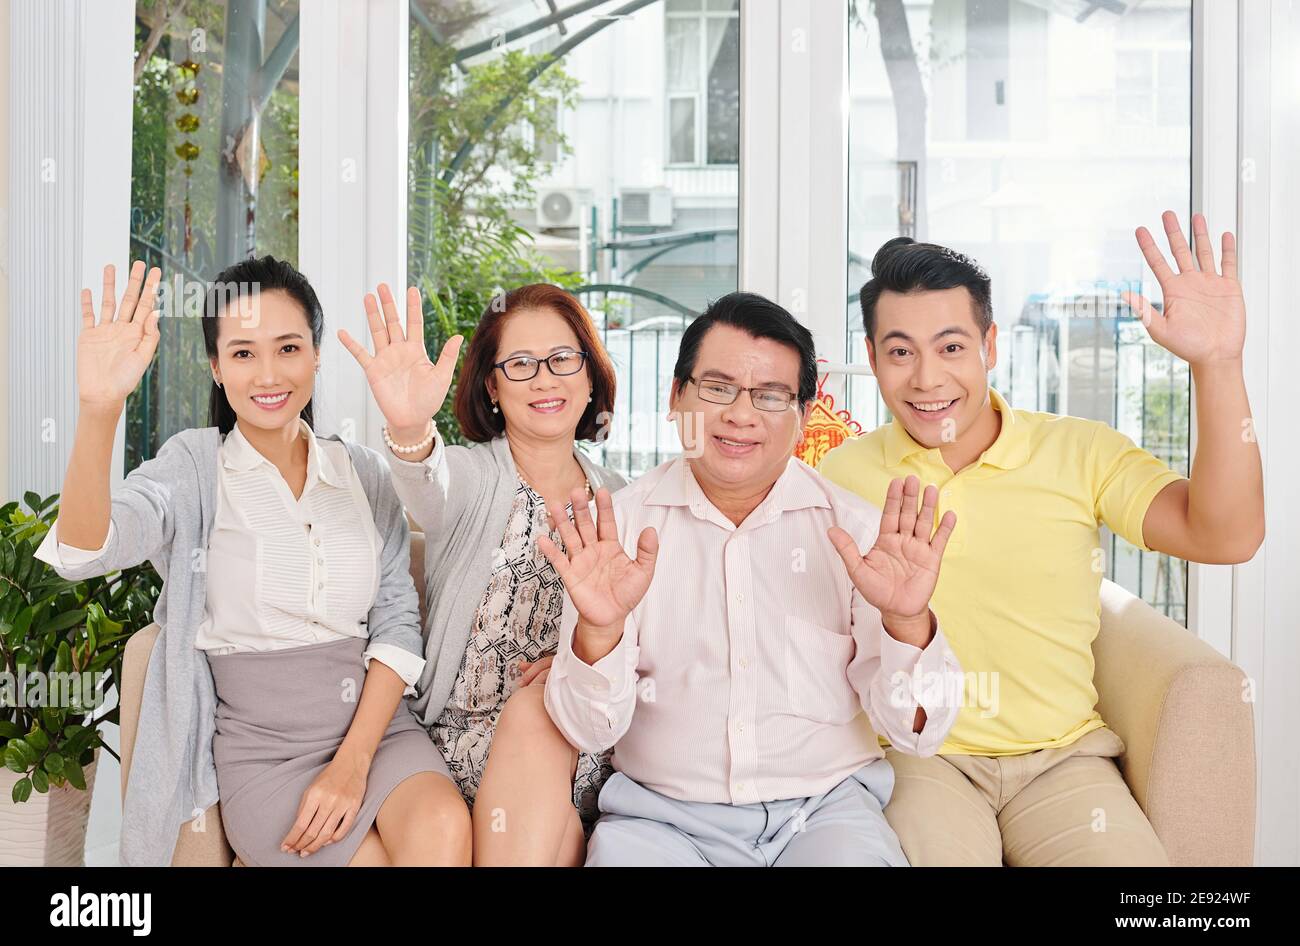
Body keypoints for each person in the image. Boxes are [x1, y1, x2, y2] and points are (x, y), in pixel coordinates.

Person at [818, 212, 1264, 865]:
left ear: (990, 346)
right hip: (921, 760)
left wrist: (1218, 365)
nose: (927, 379)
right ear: (874, 358)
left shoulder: (1079, 451)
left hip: (1066, 764)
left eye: (950, 347)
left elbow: (1227, 536)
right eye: (900, 352)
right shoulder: (841, 473)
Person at [36, 257, 470, 866]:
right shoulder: (193, 469)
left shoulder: (364, 473)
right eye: (242, 353)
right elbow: (85, 550)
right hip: (265, 753)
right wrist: (99, 408)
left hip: (378, 733)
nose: (268, 373)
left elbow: (399, 622)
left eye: (288, 347)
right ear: (216, 368)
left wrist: (353, 761)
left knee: (444, 830)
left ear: (317, 355)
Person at [537, 292, 963, 866]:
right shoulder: (618, 534)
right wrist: (599, 629)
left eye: (770, 396)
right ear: (675, 397)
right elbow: (590, 730)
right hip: (662, 819)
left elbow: (919, 734)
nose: (741, 415)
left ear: (803, 417)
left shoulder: (856, 533)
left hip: (825, 811)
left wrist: (907, 622)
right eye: (717, 388)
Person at [339, 282, 625, 865]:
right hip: (458, 748)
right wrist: (411, 428)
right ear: (492, 387)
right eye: (519, 364)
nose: (544, 379)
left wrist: (587, 663)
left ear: (590, 374)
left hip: (576, 749)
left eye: (562, 359)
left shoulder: (620, 499)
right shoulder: (472, 478)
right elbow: (426, 482)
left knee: (545, 711)